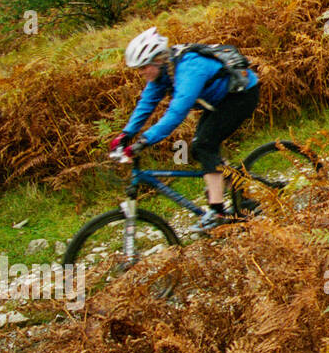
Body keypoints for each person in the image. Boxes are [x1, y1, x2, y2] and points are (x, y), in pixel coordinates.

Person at [110, 27, 260, 230]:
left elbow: (177, 112)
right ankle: (240, 193)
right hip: (219, 101)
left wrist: (145, 140)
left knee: (204, 145)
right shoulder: (163, 72)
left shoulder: (189, 68)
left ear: (157, 59)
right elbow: (146, 103)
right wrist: (125, 135)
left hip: (241, 96)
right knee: (202, 148)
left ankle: (217, 212)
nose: (141, 72)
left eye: (143, 67)